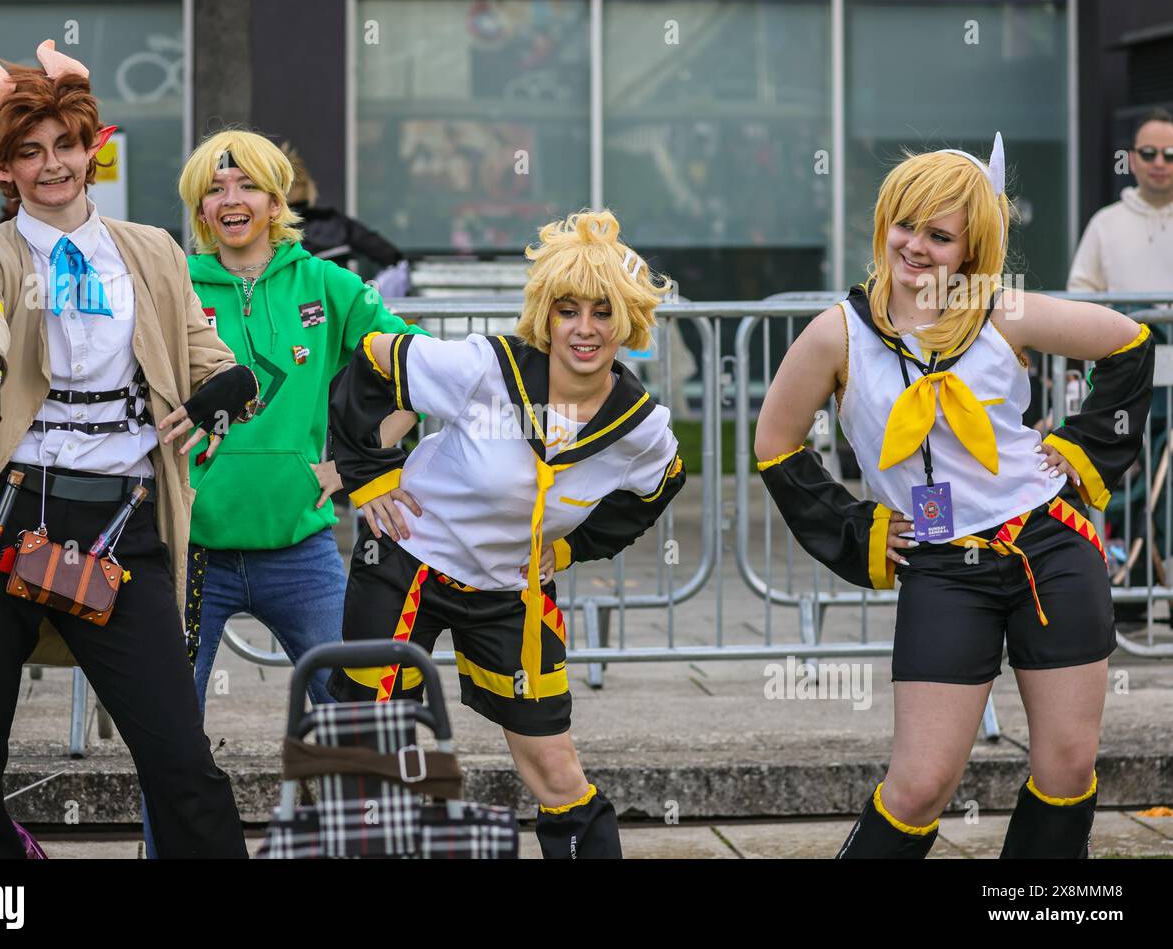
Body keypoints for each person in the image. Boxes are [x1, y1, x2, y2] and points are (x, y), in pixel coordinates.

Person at [0, 40, 253, 857]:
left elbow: (203, 349)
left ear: (92, 145)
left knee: (180, 755)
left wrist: (228, 383)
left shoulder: (150, 250)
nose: (53, 166)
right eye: (29, 152)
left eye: (66, 145)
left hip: (120, 532)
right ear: (1, 170)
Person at [754, 135, 1153, 858]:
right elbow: (775, 443)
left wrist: (1077, 450)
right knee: (920, 784)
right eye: (906, 225)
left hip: (1048, 548)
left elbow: (1130, 345)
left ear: (971, 247)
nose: (916, 247)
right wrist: (860, 528)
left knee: (1067, 768)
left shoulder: (1000, 310)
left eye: (941, 235)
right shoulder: (837, 334)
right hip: (943, 566)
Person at [328, 209, 686, 858]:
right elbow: (376, 356)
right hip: (409, 557)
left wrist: (573, 546)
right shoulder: (485, 367)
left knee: (554, 764)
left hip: (509, 591)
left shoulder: (641, 427)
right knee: (377, 746)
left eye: (602, 312)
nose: (584, 329)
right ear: (545, 313)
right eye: (567, 309)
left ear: (627, 320)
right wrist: (371, 475)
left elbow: (657, 490)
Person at [137, 129, 423, 856]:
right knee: (167, 729)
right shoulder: (171, 284)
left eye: (247, 186)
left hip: (300, 548)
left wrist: (364, 466)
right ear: (199, 205)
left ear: (276, 198)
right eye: (215, 187)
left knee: (357, 710)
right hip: (190, 551)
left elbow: (413, 369)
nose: (230, 200)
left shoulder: (325, 284)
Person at [280, 141, 409, 296]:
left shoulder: (265, 230)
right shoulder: (336, 224)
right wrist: (370, 298)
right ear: (308, 186)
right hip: (334, 307)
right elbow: (393, 259)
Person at [1068, 108, 1173, 293]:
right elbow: (1080, 292)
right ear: (1131, 160)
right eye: (1148, 153)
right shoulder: (1103, 223)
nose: (1159, 163)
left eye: (1169, 154)